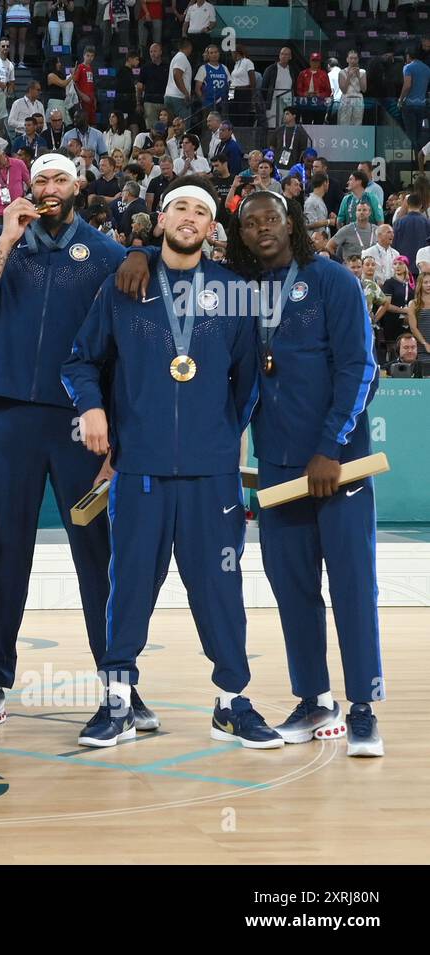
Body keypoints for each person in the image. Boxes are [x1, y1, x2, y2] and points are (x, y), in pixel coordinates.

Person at [62, 178, 279, 748]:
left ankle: (232, 702)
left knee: (220, 589)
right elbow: (81, 362)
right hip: (141, 469)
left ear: (212, 229)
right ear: (160, 220)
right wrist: (92, 410)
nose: (190, 217)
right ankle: (117, 702)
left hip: (212, 473)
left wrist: (217, 435)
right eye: (179, 207)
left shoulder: (235, 292)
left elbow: (247, 385)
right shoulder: (122, 286)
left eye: (201, 212)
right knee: (129, 585)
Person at [0, 152, 141, 731]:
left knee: (97, 555)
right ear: (26, 189)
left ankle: (119, 686)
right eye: (41, 181)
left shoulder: (108, 256)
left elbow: (126, 353)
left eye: (61, 179)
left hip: (81, 425)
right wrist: (6, 239)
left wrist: (117, 434)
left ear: (79, 186)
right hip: (12, 415)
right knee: (6, 552)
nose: (51, 188)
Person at [227, 189, 384, 758]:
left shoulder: (333, 282)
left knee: (351, 585)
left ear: (292, 223)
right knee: (292, 589)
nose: (263, 228)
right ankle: (316, 699)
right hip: (277, 468)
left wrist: (330, 447)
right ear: (240, 235)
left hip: (337, 465)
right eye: (250, 223)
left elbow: (359, 366)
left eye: (272, 218)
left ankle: (364, 709)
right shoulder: (241, 294)